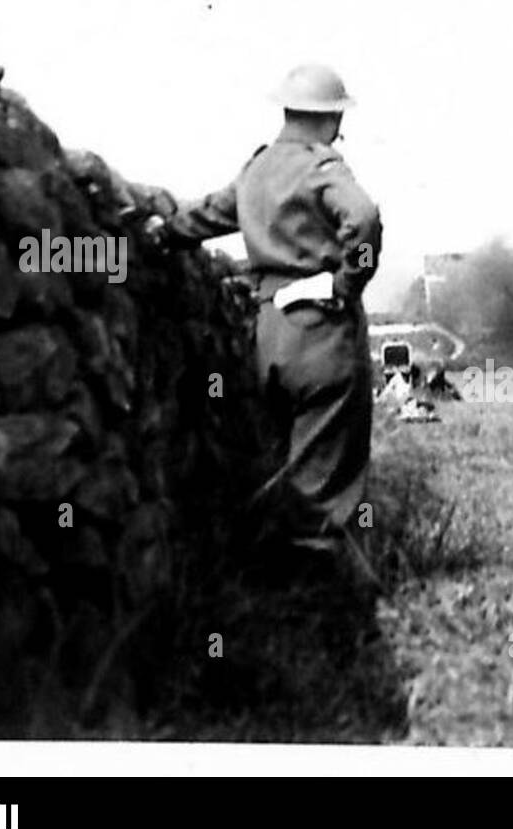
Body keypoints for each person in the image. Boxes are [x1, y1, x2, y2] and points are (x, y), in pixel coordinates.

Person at [147, 63, 383, 560]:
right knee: (326, 473)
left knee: (285, 459)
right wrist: (347, 281)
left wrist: (163, 232)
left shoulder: (256, 170)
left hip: (270, 334)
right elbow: (362, 217)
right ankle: (318, 594)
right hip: (322, 330)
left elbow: (210, 214)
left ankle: (274, 574)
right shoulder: (322, 167)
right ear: (330, 118)